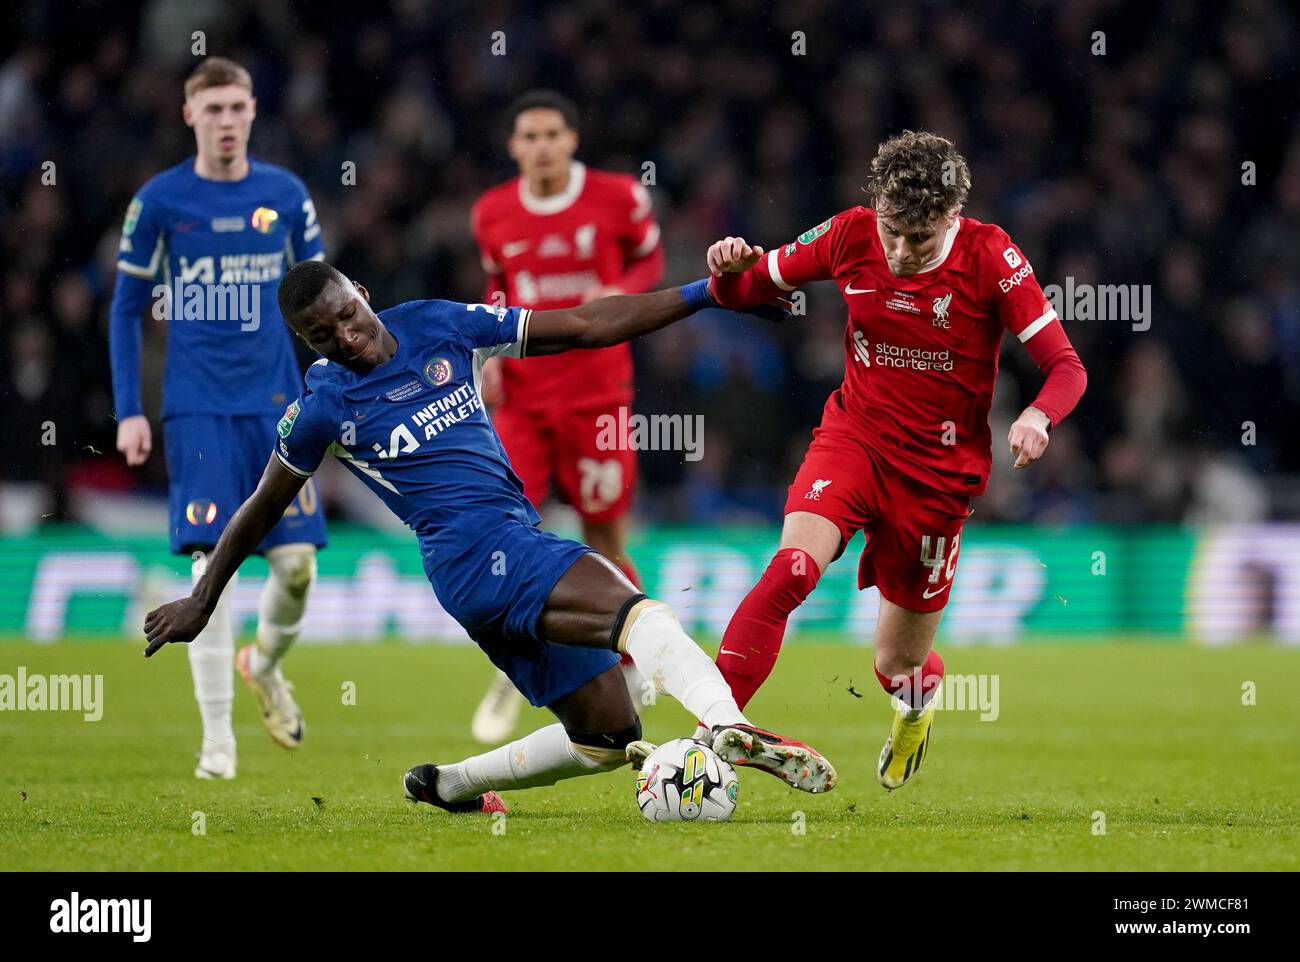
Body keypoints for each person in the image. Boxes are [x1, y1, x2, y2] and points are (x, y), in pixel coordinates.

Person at [142, 261, 836, 811]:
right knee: (639, 613)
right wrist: (203, 600)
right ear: (308, 343)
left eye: (348, 317)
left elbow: (587, 324)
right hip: (478, 555)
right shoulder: (322, 405)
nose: (347, 338)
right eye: (325, 337)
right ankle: (724, 723)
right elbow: (262, 507)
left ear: (360, 291)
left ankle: (447, 784)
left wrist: (707, 294)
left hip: (493, 558)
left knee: (606, 736)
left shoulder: (440, 324)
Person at [703, 130, 1087, 791]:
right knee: (793, 568)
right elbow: (742, 293)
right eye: (893, 234)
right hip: (854, 440)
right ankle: (709, 737)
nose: (903, 252)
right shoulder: (850, 234)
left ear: (950, 217)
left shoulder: (991, 255)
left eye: (920, 238)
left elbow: (1065, 366)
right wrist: (730, 265)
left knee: (897, 668)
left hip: (940, 477)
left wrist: (1037, 416)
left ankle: (915, 712)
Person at [109, 57, 327, 779]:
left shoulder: (286, 195)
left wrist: (343, 388)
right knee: (211, 568)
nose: (227, 122)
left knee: (296, 572)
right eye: (214, 110)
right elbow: (125, 308)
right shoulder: (159, 202)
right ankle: (218, 745)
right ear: (189, 116)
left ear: (254, 111)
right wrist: (128, 412)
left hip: (277, 404)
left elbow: (321, 296)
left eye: (238, 108)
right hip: (197, 407)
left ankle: (262, 665)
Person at [468, 90, 664, 743]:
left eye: (553, 133)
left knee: (603, 536)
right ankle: (516, 666)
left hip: (597, 394)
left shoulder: (618, 197)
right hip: (524, 394)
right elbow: (497, 287)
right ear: (513, 146)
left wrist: (623, 294)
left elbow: (649, 260)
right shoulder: (492, 211)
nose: (542, 145)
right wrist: (490, 355)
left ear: (572, 139)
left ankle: (634, 661)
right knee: (505, 532)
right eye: (530, 136)